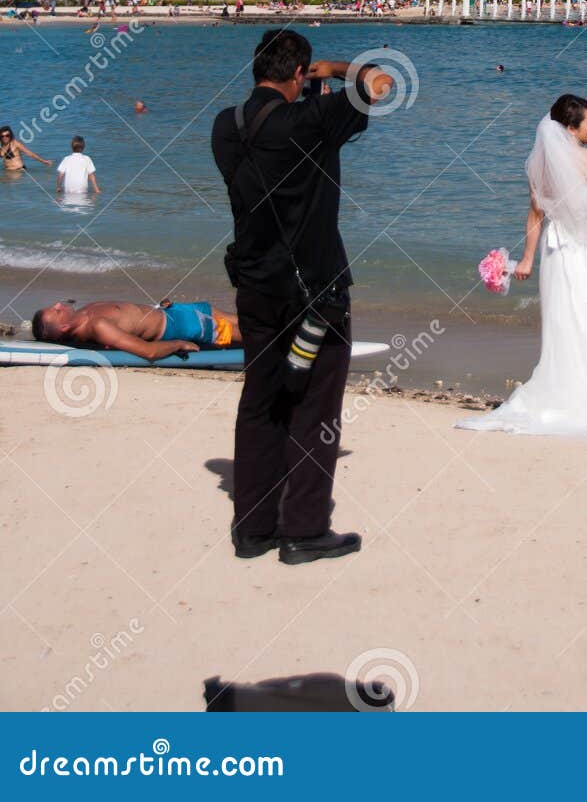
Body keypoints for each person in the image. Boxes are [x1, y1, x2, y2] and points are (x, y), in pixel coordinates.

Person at [211, 29, 393, 566]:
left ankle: (253, 529)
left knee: (261, 403)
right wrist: (332, 69)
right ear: (298, 74)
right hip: (317, 290)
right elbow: (377, 82)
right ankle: (304, 531)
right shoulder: (313, 121)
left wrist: (305, 82)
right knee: (316, 407)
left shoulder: (228, 127)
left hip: (256, 285)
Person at [458, 94, 587, 439]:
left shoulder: (540, 165)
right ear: (571, 128)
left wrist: (527, 258)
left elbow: (535, 218)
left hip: (556, 255)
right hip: (585, 251)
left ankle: (574, 389)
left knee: (574, 319)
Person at [31, 298, 239, 359]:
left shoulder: (84, 312)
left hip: (178, 311)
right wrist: (178, 344)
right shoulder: (98, 327)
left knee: (254, 321)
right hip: (188, 326)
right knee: (255, 333)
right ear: (65, 326)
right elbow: (147, 352)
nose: (58, 304)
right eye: (56, 310)